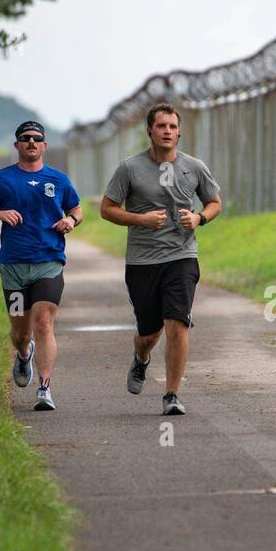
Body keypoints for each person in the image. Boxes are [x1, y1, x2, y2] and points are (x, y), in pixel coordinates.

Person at [101, 103, 221, 416]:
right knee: (149, 332)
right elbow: (107, 209)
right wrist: (140, 220)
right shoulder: (130, 168)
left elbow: (214, 202)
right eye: (161, 126)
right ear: (150, 131)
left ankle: (171, 394)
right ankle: (140, 359)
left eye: (172, 126)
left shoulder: (194, 166)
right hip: (142, 261)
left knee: (177, 323)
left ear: (179, 132)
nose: (167, 131)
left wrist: (198, 219)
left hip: (181, 256)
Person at [0, 120, 82, 412]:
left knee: (44, 321)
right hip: (14, 267)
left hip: (49, 261)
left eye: (36, 138)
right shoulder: (0, 179)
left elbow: (76, 208)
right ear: (17, 145)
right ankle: (23, 354)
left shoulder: (58, 180)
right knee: (21, 332)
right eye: (25, 138)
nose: (31, 142)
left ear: (44, 145)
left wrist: (71, 220)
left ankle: (44, 388)